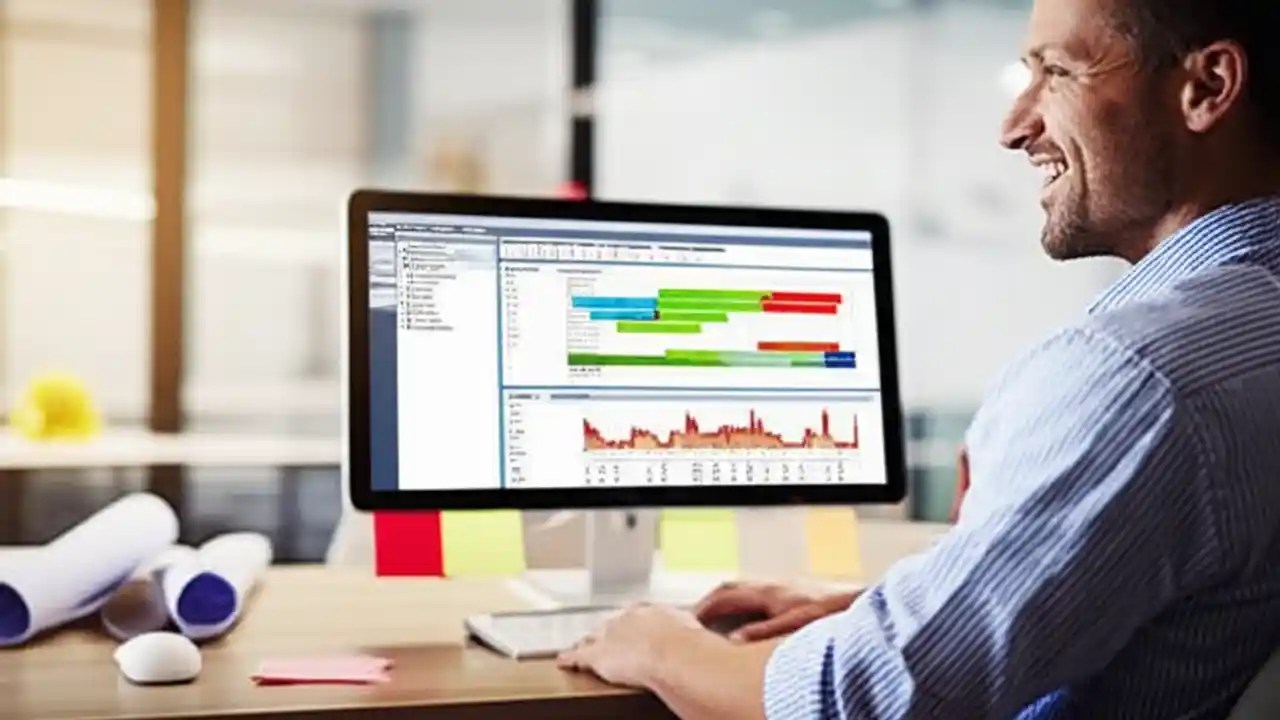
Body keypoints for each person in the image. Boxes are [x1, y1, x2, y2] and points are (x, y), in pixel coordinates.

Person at [556, 0, 1280, 716]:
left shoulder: (1138, 379)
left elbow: (861, 704)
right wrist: (893, 608)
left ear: (1208, 87)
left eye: (1057, 71)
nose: (1013, 126)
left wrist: (658, 643)